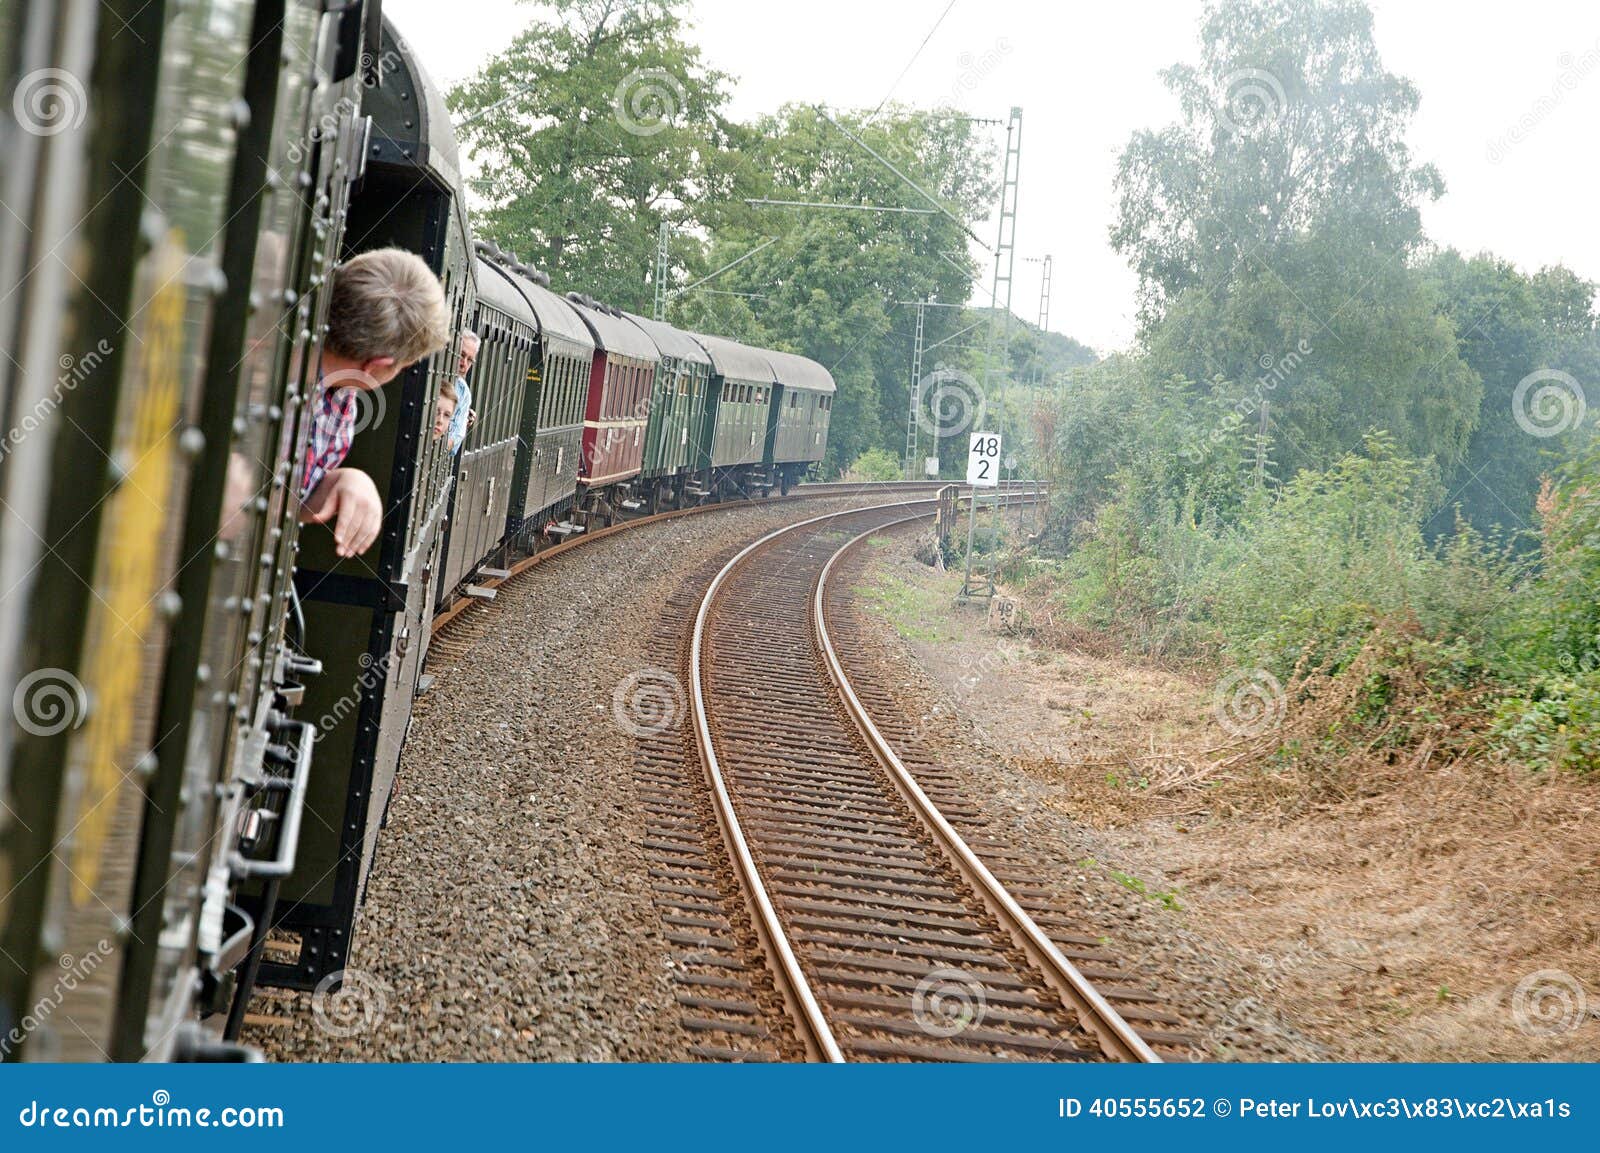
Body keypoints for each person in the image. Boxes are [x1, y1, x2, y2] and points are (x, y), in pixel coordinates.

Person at [299, 247, 450, 557]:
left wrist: (344, 481)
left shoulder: (343, 403)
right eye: (402, 366)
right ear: (376, 365)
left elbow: (291, 500)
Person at [446, 330, 479, 455]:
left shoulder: (464, 393)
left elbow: (453, 445)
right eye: (461, 355)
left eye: (469, 360)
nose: (464, 364)